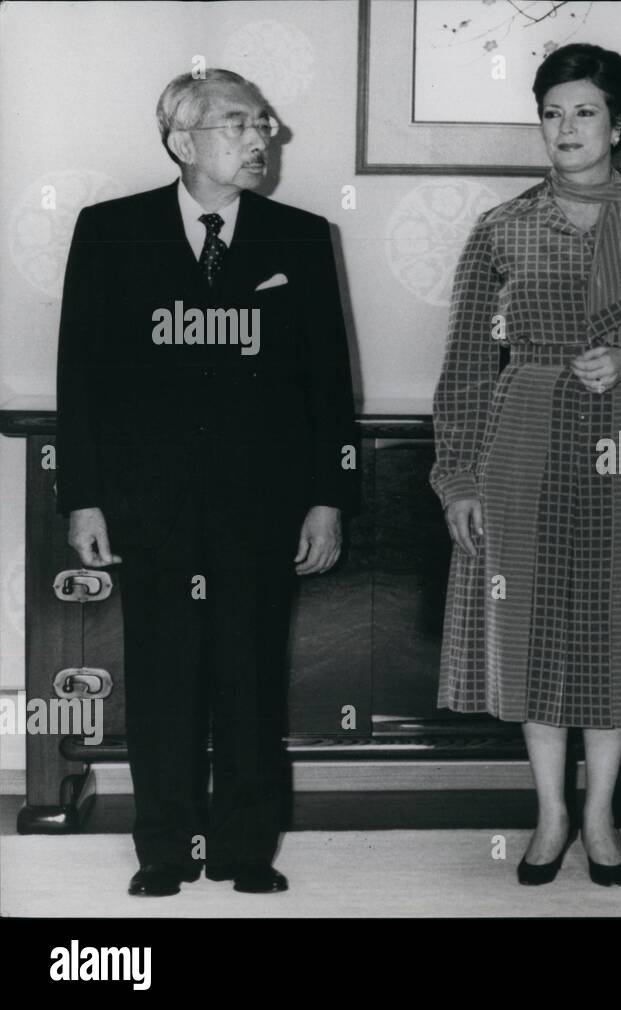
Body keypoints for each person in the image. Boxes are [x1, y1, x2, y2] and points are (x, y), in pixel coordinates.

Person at [56, 69, 360, 896]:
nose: (261, 137)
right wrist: (82, 495)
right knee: (162, 676)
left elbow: (327, 386)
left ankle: (243, 850)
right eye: (238, 124)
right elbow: (78, 376)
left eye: (263, 123)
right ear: (182, 140)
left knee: (252, 676)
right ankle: (164, 848)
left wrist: (327, 497)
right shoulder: (110, 230)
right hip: (147, 503)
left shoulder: (300, 236)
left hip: (261, 505)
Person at [430, 44, 621, 887]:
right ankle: (550, 812)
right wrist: (456, 477)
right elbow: (461, 366)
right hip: (522, 442)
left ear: (619, 125)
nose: (567, 127)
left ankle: (600, 812)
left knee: (616, 629)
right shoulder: (503, 228)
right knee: (529, 629)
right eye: (553, 112)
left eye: (585, 111)